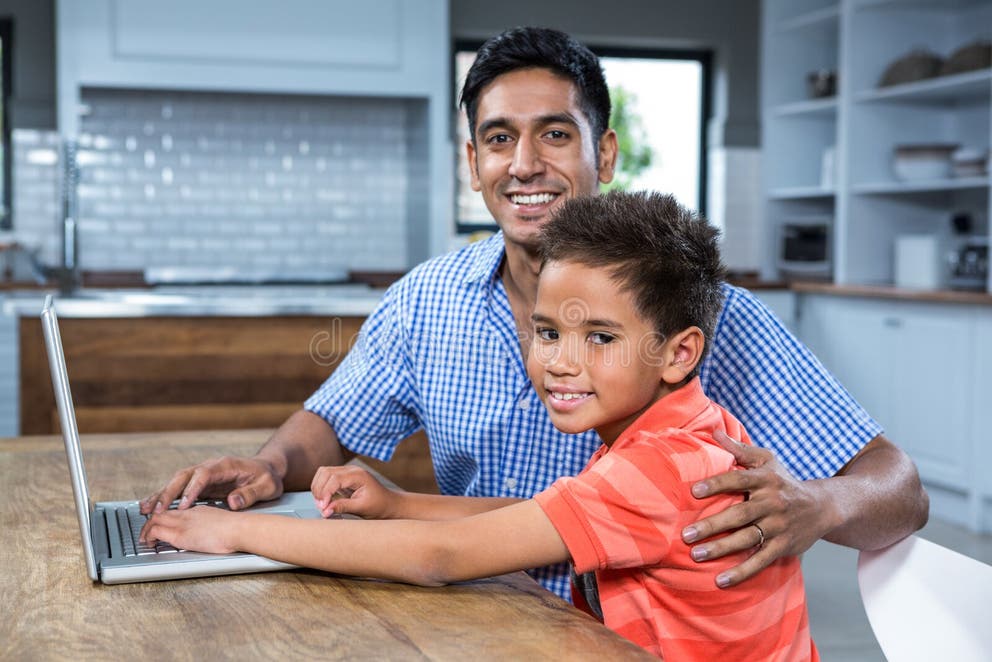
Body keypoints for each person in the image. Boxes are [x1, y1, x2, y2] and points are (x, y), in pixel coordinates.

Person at [141, 26, 927, 602]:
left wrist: (821, 504)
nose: (524, 165)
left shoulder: (709, 316)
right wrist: (273, 467)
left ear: (606, 155)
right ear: (472, 162)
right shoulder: (428, 299)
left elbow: (899, 489)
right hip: (481, 619)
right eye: (498, 139)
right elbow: (339, 425)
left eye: (555, 134)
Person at [144, 190, 818, 660]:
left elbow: (443, 560)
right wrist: (400, 505)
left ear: (679, 352)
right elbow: (549, 517)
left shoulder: (657, 465)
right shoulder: (688, 429)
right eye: (548, 331)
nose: (560, 362)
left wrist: (232, 530)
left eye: (602, 338)